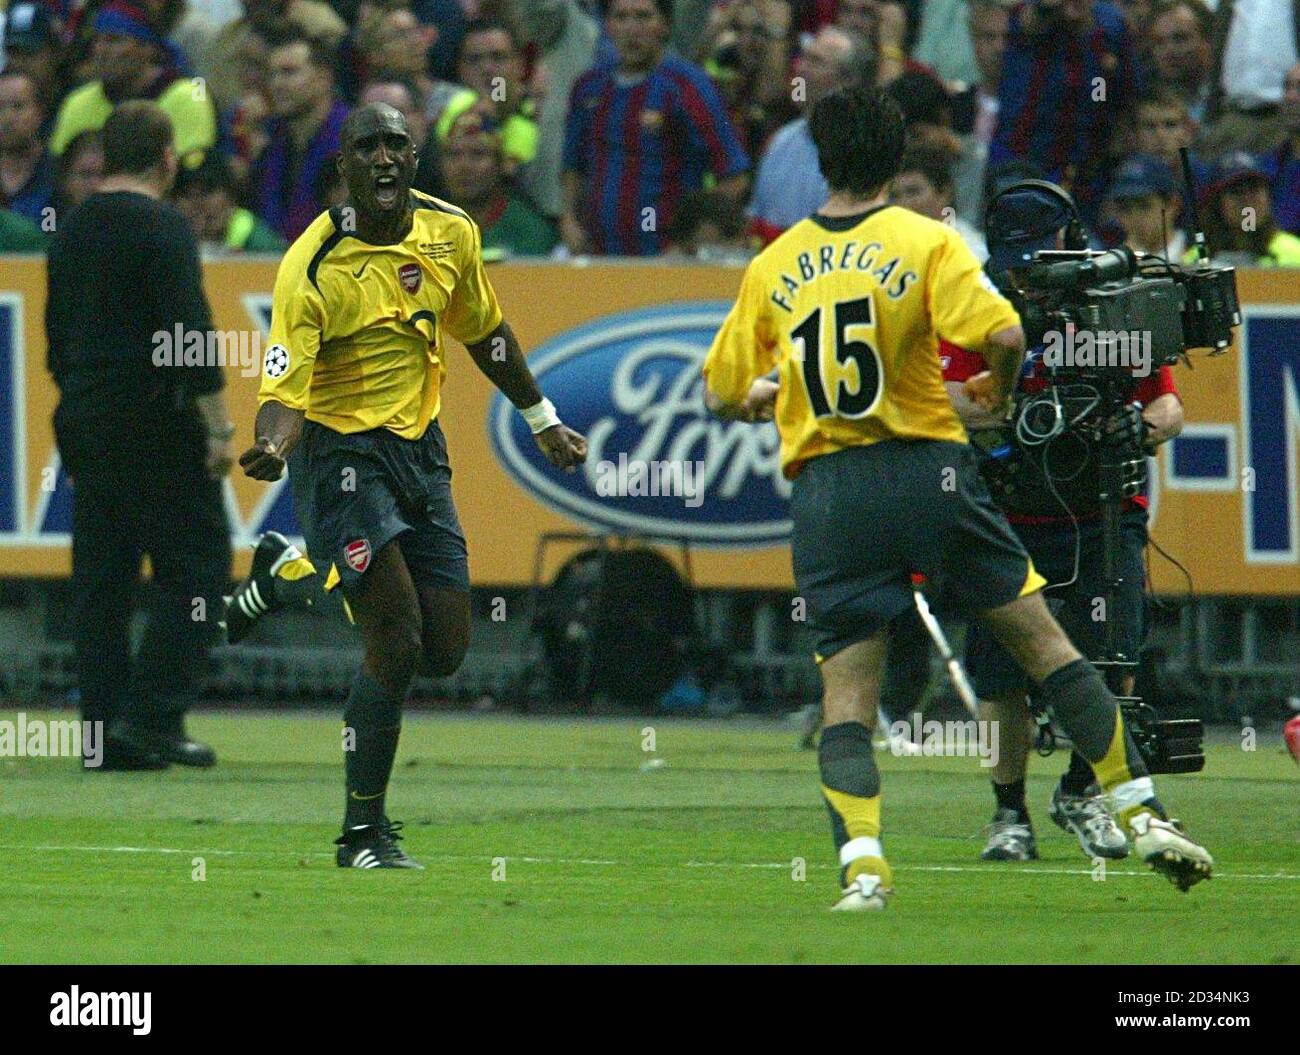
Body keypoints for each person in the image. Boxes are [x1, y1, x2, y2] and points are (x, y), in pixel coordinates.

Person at [701, 84, 1212, 909]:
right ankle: (1138, 809)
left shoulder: (776, 260)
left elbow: (722, 391)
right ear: (895, 157)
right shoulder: (925, 240)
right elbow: (1004, 332)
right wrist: (996, 389)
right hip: (928, 472)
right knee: (1045, 646)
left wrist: (768, 394)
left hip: (831, 489)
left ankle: (863, 866)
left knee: (849, 694)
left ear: (820, 161)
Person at [230, 102, 588, 868]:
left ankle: (288, 573)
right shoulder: (314, 263)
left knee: (446, 649)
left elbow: (485, 331)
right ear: (344, 169)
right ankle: (362, 832)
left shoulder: (450, 233)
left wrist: (542, 416)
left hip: (419, 455)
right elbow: (285, 388)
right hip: (337, 456)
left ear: (414, 157)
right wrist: (271, 443)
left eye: (397, 143)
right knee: (394, 638)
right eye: (369, 146)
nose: (386, 158)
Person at [944, 178, 1187, 863]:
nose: (1027, 276)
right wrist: (1003, 413)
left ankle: (1084, 788)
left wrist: (1134, 427)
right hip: (1010, 509)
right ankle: (1008, 809)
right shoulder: (983, 311)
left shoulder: (1116, 306)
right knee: (1000, 672)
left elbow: (1169, 407)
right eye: (1016, 262)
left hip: (1103, 507)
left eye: (1036, 259)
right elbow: (946, 393)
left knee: (1117, 654)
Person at [46, 101, 232, 771]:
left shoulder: (70, 229)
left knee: (102, 576)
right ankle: (153, 715)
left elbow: (58, 336)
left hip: (86, 415)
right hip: (154, 416)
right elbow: (190, 335)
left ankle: (100, 732)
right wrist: (217, 428)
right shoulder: (164, 229)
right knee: (201, 565)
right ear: (167, 159)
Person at [560, 0, 749, 256]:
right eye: (621, 17)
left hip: (667, 260)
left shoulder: (689, 87)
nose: (632, 28)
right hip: (596, 258)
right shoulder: (588, 88)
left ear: (665, 25)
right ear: (607, 26)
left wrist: (687, 242)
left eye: (643, 16)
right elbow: (573, 165)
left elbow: (735, 178)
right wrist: (569, 219)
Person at [747, 25, 872, 244]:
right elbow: (757, 220)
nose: (801, 68)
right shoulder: (781, 141)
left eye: (816, 62)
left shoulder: (867, 151)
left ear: (848, 81)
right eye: (803, 58)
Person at [49, 2, 218, 159]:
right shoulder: (78, 100)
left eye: (114, 40)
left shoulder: (190, 94)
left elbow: (193, 174)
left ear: (147, 48)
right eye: (97, 40)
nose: (101, 50)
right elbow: (59, 172)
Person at [250, 27, 348, 241]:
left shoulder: (355, 144)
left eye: (289, 72)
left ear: (323, 78)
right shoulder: (271, 147)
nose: (276, 84)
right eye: (272, 74)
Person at [440, 109, 558, 257]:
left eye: (478, 154)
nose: (464, 167)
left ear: (501, 165)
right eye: (454, 155)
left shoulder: (530, 230)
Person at [1198, 150, 1300, 265]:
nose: (1247, 200)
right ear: (1217, 203)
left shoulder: (1295, 253)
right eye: (1236, 192)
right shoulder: (1197, 259)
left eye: (1254, 189)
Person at [172, 149, 287, 251]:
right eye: (186, 194)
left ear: (230, 196)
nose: (196, 203)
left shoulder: (258, 242)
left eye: (207, 191)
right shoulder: (170, 240)